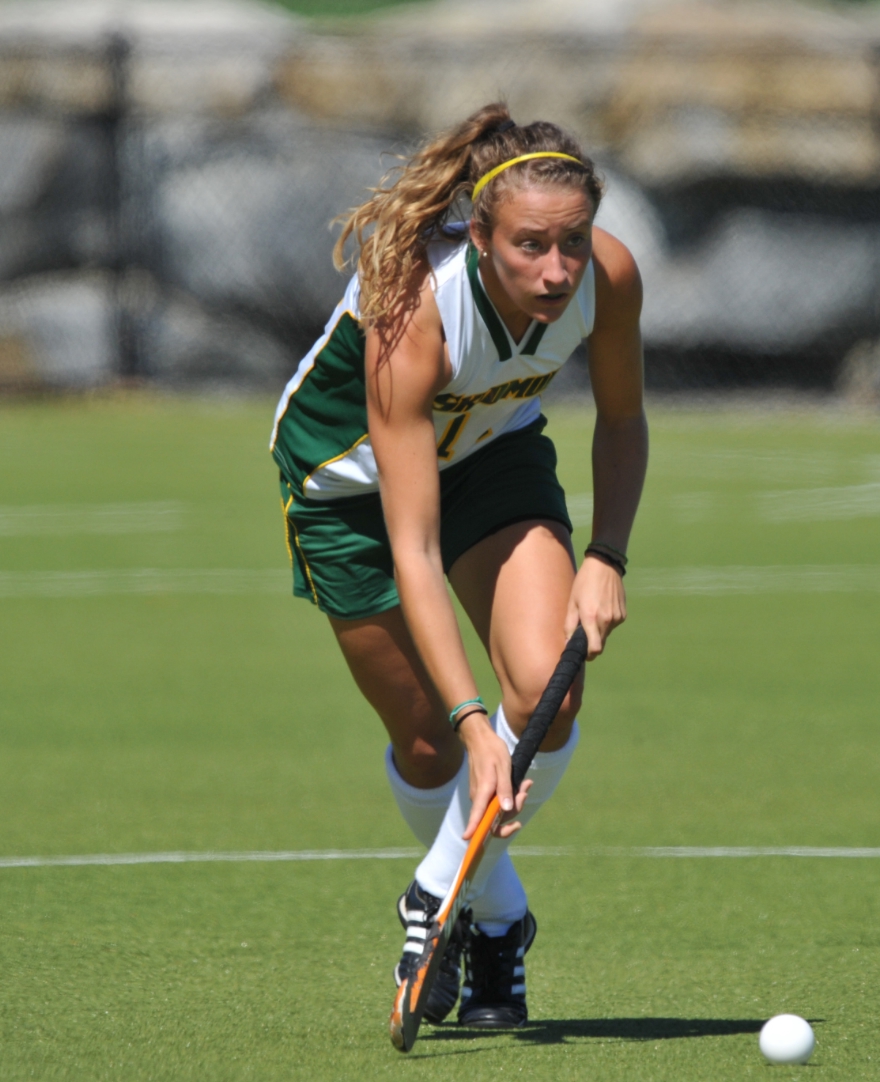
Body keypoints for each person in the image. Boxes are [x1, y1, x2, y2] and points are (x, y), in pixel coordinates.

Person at [270, 102, 647, 1029]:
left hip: (490, 455)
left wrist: (605, 555)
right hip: (346, 489)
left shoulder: (609, 279)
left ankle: (435, 892)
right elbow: (415, 548)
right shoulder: (414, 312)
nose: (556, 270)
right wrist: (475, 724)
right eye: (529, 246)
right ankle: (500, 918)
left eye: (572, 241)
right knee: (432, 746)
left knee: (549, 692)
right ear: (480, 237)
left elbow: (622, 419)